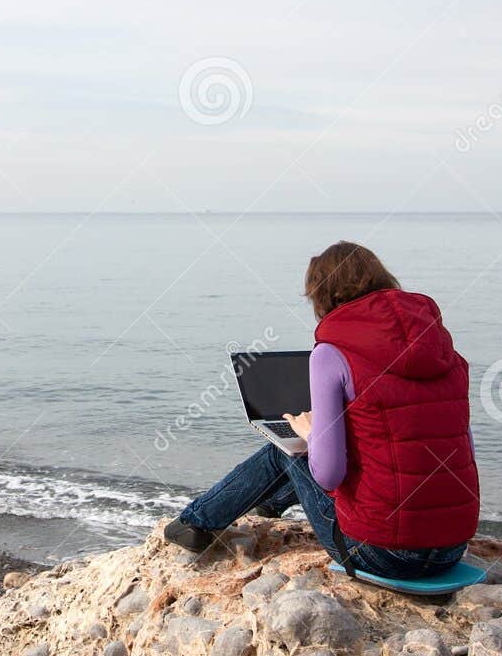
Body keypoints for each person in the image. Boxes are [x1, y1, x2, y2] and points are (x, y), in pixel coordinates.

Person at [165, 241, 479, 580]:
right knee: (349, 447)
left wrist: (312, 435)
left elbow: (328, 474)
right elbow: (465, 451)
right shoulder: (445, 351)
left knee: (285, 451)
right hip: (452, 548)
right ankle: (270, 506)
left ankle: (194, 524)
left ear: (322, 294)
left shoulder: (332, 353)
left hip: (384, 554)